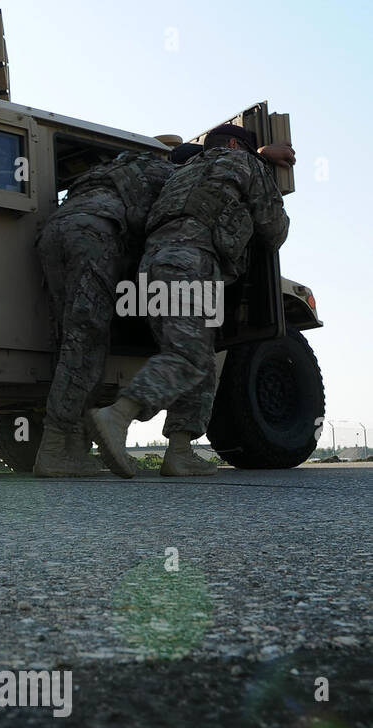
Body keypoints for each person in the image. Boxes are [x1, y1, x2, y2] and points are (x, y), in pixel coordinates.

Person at [90, 125, 292, 478]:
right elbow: (274, 229)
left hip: (153, 264)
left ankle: (180, 452)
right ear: (234, 145)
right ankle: (118, 414)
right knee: (189, 355)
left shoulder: (184, 172)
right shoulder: (243, 163)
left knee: (199, 355)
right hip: (191, 261)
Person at [33, 151, 175, 477]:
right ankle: (54, 449)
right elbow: (169, 224)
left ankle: (69, 449)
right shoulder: (170, 173)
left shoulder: (113, 167)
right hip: (95, 232)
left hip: (55, 231)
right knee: (86, 339)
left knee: (69, 342)